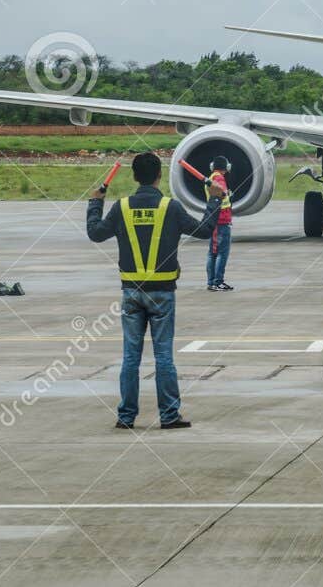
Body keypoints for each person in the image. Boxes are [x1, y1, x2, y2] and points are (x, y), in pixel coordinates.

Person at [87, 152, 220, 430]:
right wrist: (214, 199)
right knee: (164, 357)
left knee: (130, 358)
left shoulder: (121, 207)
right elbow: (205, 230)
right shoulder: (170, 207)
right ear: (159, 177)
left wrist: (95, 203)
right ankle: (169, 415)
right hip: (163, 293)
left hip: (131, 293)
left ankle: (126, 417)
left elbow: (96, 233)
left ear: (135, 177)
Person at [205, 156, 234, 291]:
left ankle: (212, 282)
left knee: (213, 252)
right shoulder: (219, 178)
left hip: (215, 219)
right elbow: (220, 195)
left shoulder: (212, 177)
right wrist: (226, 194)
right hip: (221, 221)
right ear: (226, 167)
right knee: (222, 252)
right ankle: (217, 281)